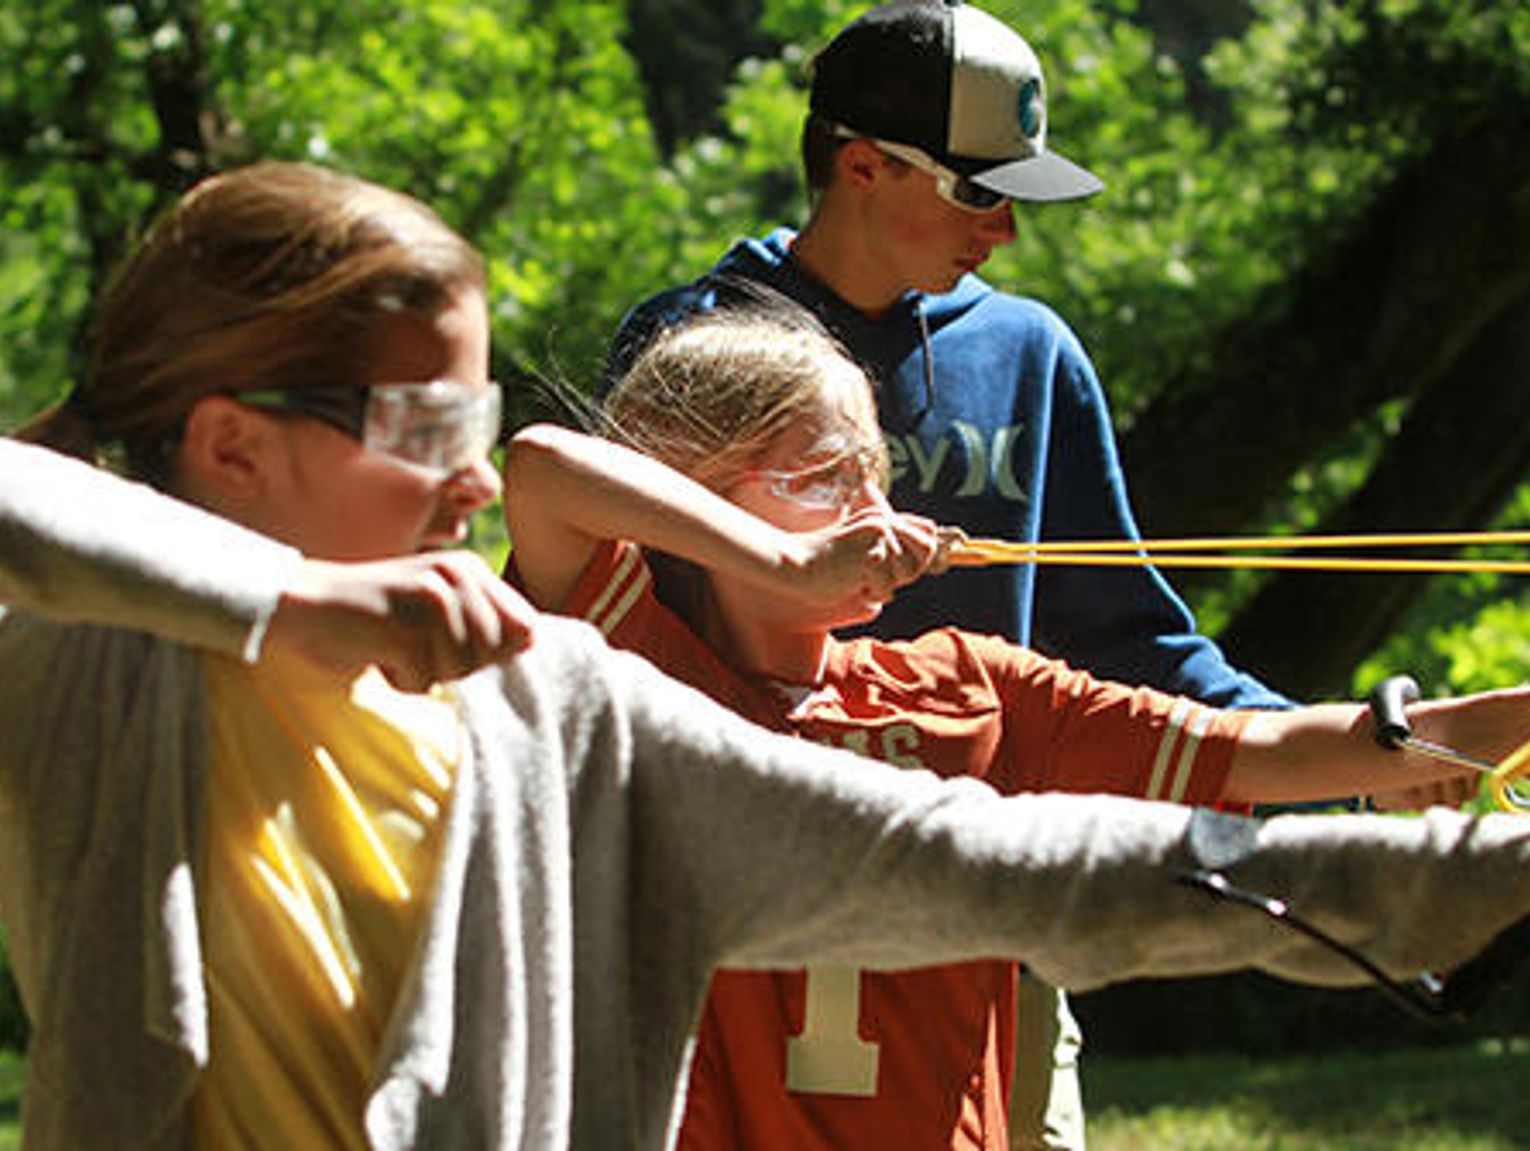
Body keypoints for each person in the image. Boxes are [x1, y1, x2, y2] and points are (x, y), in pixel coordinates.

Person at [4, 163, 1527, 1151]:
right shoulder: (76, 665)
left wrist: (1465, 873)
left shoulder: (550, 705)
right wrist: (288, 606)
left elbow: (1023, 865)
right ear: (230, 444)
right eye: (427, 427)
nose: (470, 477)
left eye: (474, 423)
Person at [506, 307, 1497, 1151]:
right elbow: (544, 469)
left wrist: (1455, 735)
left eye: (874, 473)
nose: (874, 512)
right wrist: (787, 561)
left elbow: (1267, 751)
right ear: (694, 492)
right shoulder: (634, 664)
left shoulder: (973, 684)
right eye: (820, 479)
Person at [602, 3, 1294, 1146]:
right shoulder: (699, 339)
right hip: (732, 909)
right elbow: (601, 614)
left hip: (983, 906)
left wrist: (1358, 754)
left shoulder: (1030, 353)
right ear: (862, 165)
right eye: (980, 192)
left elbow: (1128, 637)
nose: (1007, 229)